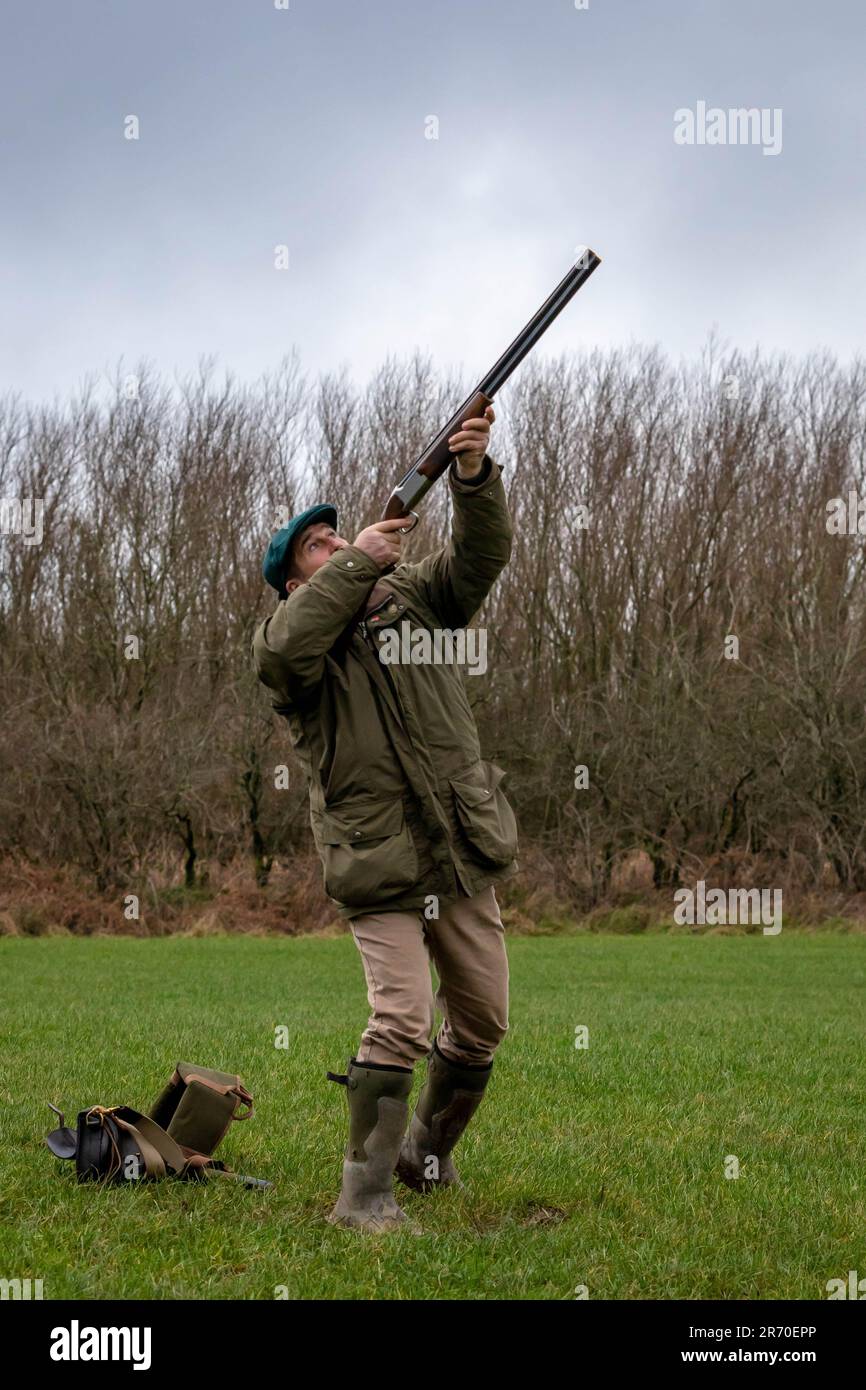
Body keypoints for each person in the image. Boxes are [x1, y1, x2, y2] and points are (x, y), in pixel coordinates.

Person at [252, 405, 519, 1232]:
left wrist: (472, 475)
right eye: (318, 548)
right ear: (300, 582)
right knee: (402, 1015)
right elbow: (284, 652)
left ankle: (425, 1156)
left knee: (483, 1021)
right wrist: (356, 565)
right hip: (380, 862)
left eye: (339, 537)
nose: (335, 544)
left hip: (458, 845)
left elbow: (481, 560)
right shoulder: (294, 643)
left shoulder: (414, 600)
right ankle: (362, 1197)